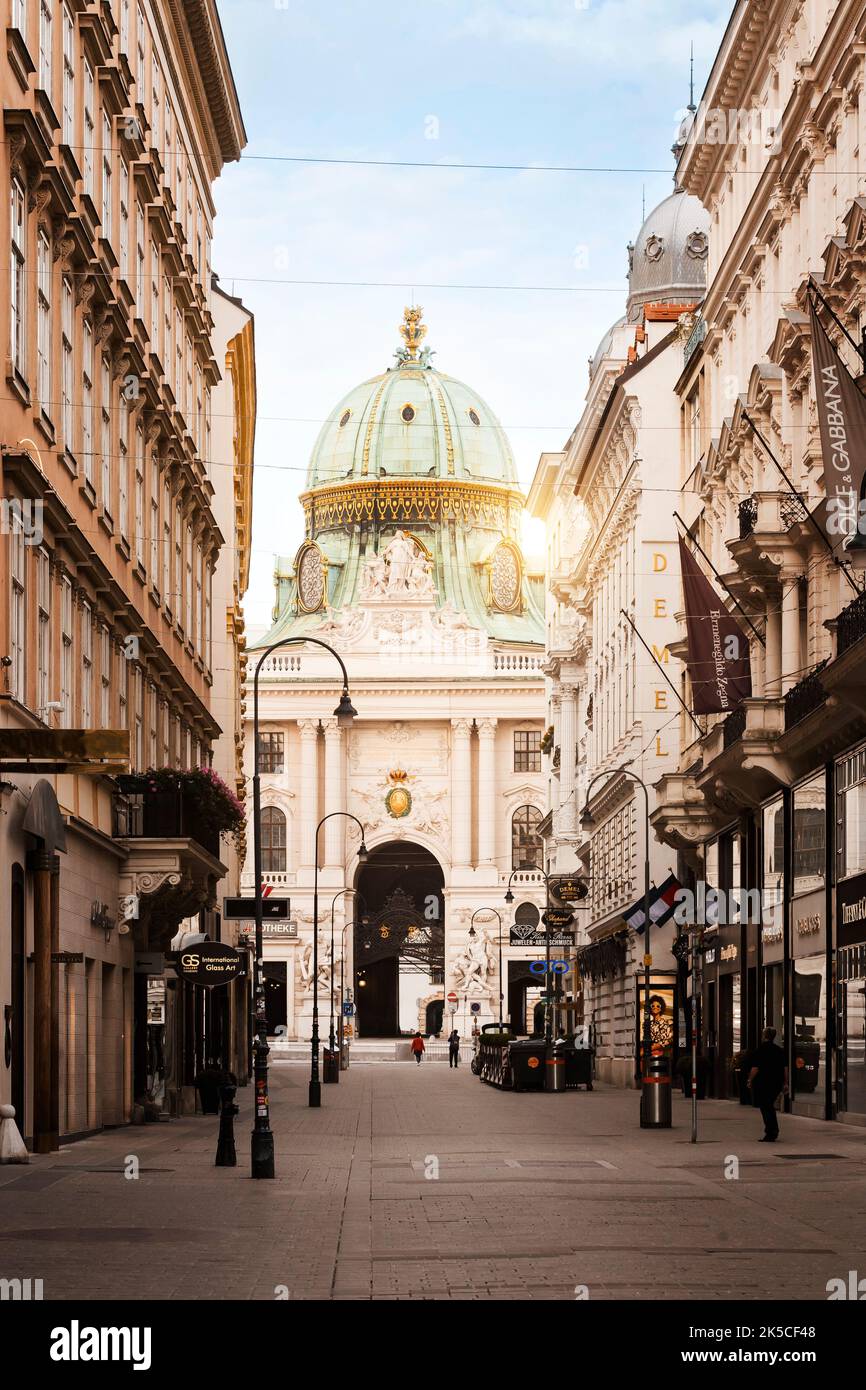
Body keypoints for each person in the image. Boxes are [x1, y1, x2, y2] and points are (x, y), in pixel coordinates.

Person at [747, 1027, 788, 1141]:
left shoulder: (760, 1050)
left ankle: (771, 1131)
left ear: (764, 1036)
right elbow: (785, 1068)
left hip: (763, 1083)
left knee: (765, 1107)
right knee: (769, 1105)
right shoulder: (779, 1051)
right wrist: (785, 1083)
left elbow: (755, 1068)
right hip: (776, 1083)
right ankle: (772, 1130)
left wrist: (750, 1080)